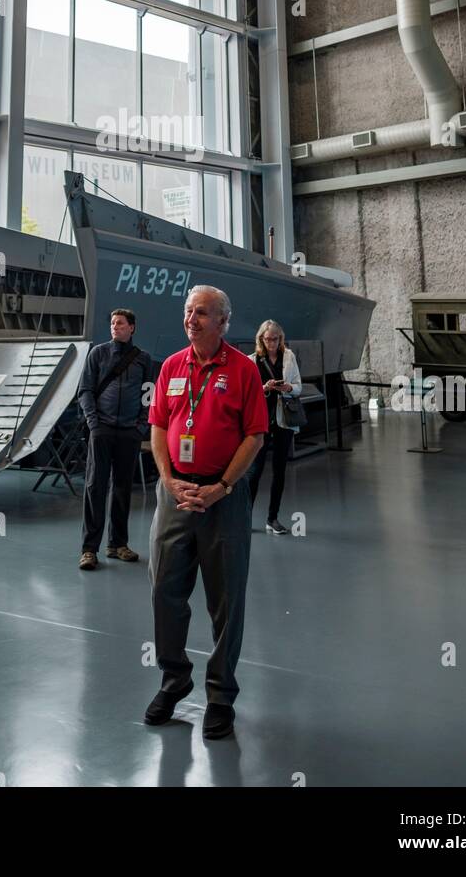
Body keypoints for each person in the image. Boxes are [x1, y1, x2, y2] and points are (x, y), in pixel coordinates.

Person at [145, 285, 267, 740]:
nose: (190, 319)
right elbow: (158, 425)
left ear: (222, 321)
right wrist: (167, 478)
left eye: (201, 313)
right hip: (175, 492)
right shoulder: (172, 367)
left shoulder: (243, 370)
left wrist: (222, 487)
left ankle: (220, 695)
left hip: (224, 497)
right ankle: (174, 680)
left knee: (226, 600)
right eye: (187, 311)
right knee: (164, 591)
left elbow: (254, 435)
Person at [77, 309, 149, 571]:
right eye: (112, 323)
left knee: (122, 489)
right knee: (95, 487)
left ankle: (117, 544)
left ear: (132, 327)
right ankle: (89, 549)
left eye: (120, 323)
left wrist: (140, 426)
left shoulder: (143, 359)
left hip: (129, 432)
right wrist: (94, 423)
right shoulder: (98, 354)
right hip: (102, 429)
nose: (114, 327)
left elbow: (148, 396)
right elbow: (84, 390)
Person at [248, 320, 302, 536]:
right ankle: (245, 517)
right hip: (260, 421)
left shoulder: (288, 357)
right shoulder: (252, 361)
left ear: (281, 338)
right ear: (261, 339)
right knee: (254, 471)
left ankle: (273, 518)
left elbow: (298, 386)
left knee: (280, 470)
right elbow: (248, 393)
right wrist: (265, 388)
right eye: (268, 339)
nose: (271, 343)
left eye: (276, 338)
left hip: (283, 420)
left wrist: (288, 387)